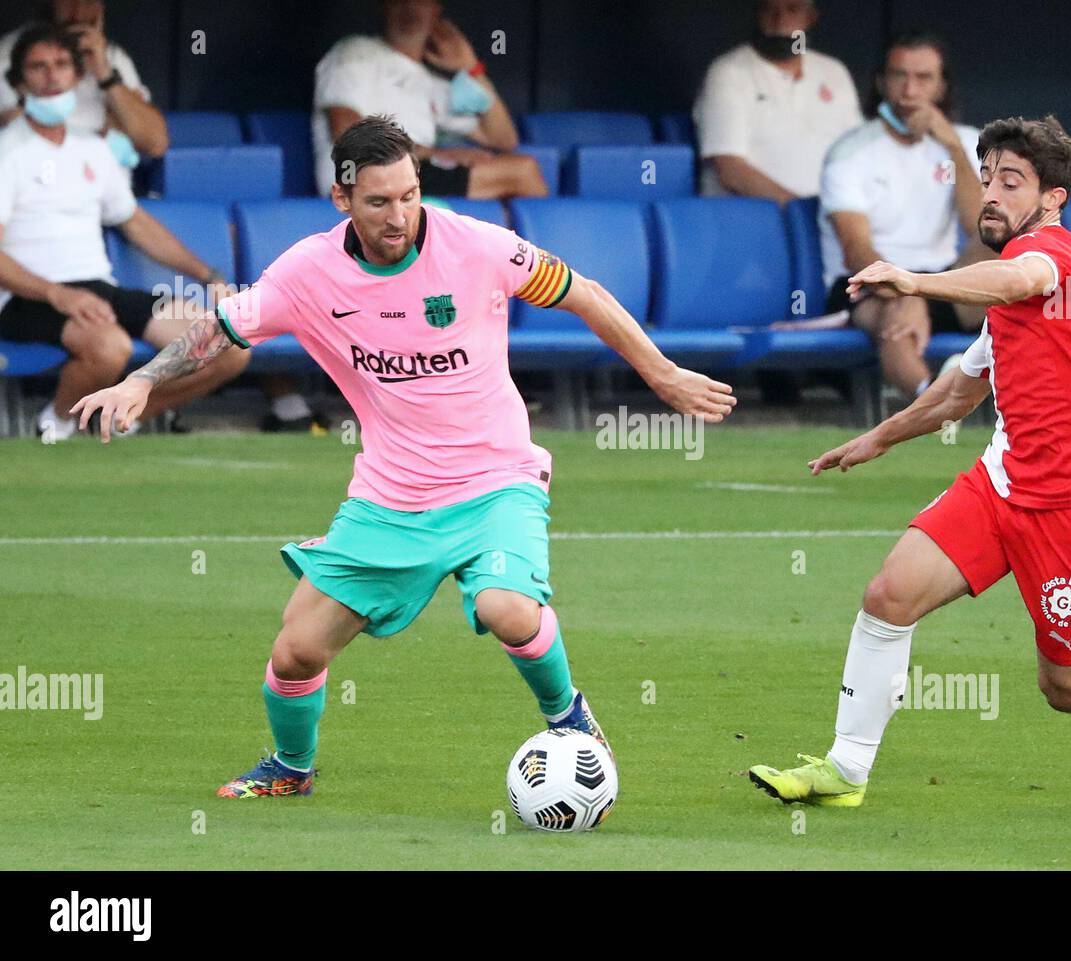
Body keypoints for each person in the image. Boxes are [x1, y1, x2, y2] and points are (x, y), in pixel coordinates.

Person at [73, 115, 737, 798]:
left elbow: (585, 293)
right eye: (379, 202)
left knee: (509, 607)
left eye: (410, 195)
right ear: (342, 199)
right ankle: (291, 769)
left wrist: (661, 373)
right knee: (295, 651)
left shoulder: (479, 247)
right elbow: (222, 327)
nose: (400, 216)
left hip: (495, 478)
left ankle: (569, 718)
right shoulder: (308, 273)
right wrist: (141, 378)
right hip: (391, 498)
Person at [749, 116, 1071, 808]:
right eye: (987, 177)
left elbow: (1014, 277)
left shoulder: (1058, 259)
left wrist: (914, 279)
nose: (990, 193)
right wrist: (877, 438)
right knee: (889, 594)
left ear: (1052, 198)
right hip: (1003, 485)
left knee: (1069, 689)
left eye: (1012, 181)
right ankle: (846, 771)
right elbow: (958, 391)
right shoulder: (1012, 297)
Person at [0, 24, 244, 441]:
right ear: (19, 82)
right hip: (26, 297)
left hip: (99, 290)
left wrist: (209, 276)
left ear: (78, 76)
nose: (51, 75)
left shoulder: (92, 147)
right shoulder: (7, 150)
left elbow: (134, 222)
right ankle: (55, 426)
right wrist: (58, 294)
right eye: (37, 67)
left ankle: (114, 419)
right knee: (111, 347)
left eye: (61, 65)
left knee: (226, 344)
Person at [820, 31, 986, 399]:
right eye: (899, 76)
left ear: (941, 87)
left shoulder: (968, 141)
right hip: (863, 282)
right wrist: (901, 288)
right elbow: (855, 247)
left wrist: (954, 149)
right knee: (892, 315)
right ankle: (934, 400)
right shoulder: (850, 153)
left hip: (941, 281)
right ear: (881, 82)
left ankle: (1049, 405)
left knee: (1018, 262)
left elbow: (982, 229)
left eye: (924, 78)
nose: (910, 91)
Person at [312, 0, 544, 200]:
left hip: (413, 176)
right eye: (399, 0)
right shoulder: (354, 52)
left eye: (420, 0)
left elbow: (503, 139)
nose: (409, 7)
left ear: (436, 11)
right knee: (521, 173)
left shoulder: (429, 82)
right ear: (383, 6)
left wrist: (472, 67)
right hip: (364, 176)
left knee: (520, 175)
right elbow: (345, 129)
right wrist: (436, 153)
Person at [693, 0, 861, 203]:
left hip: (833, 216)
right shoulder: (728, 72)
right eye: (769, 10)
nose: (780, 20)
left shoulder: (833, 71)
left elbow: (857, 153)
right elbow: (730, 170)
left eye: (792, 9)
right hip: (755, 217)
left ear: (810, 18)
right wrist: (800, 214)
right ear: (757, 15)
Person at [0, 0, 167, 163]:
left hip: (105, 181)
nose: (77, 12)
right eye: (69, 2)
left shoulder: (110, 56)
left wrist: (105, 75)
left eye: (88, 2)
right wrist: (110, 130)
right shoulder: (11, 55)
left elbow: (155, 143)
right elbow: (24, 136)